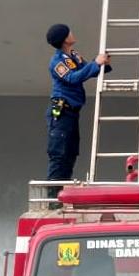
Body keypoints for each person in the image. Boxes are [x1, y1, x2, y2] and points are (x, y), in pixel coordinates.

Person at [46, 24, 111, 187]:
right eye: (69, 32)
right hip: (62, 112)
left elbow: (86, 70)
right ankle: (53, 195)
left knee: (71, 152)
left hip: (72, 112)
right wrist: (95, 63)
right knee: (60, 154)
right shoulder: (57, 61)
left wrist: (102, 64)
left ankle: (63, 190)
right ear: (64, 39)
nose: (72, 33)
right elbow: (73, 78)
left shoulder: (73, 55)